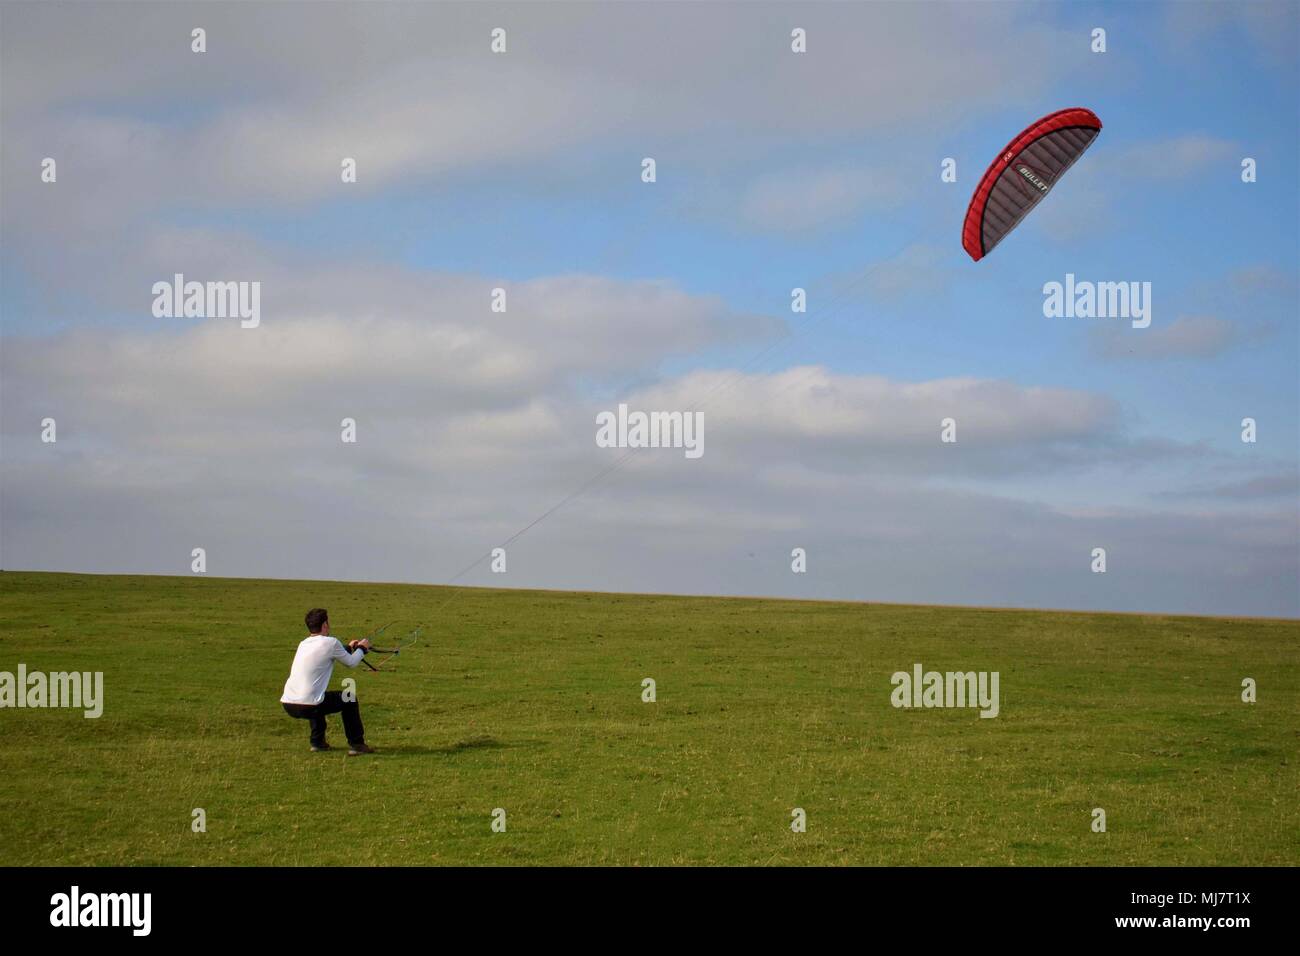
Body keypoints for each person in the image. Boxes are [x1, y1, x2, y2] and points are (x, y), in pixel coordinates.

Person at [281, 608, 375, 755]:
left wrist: (350, 647)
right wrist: (362, 648)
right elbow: (351, 663)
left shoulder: (303, 643)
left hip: (288, 704)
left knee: (318, 696)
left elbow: (327, 654)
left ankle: (318, 743)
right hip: (309, 705)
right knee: (349, 698)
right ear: (325, 624)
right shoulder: (331, 643)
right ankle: (357, 744)